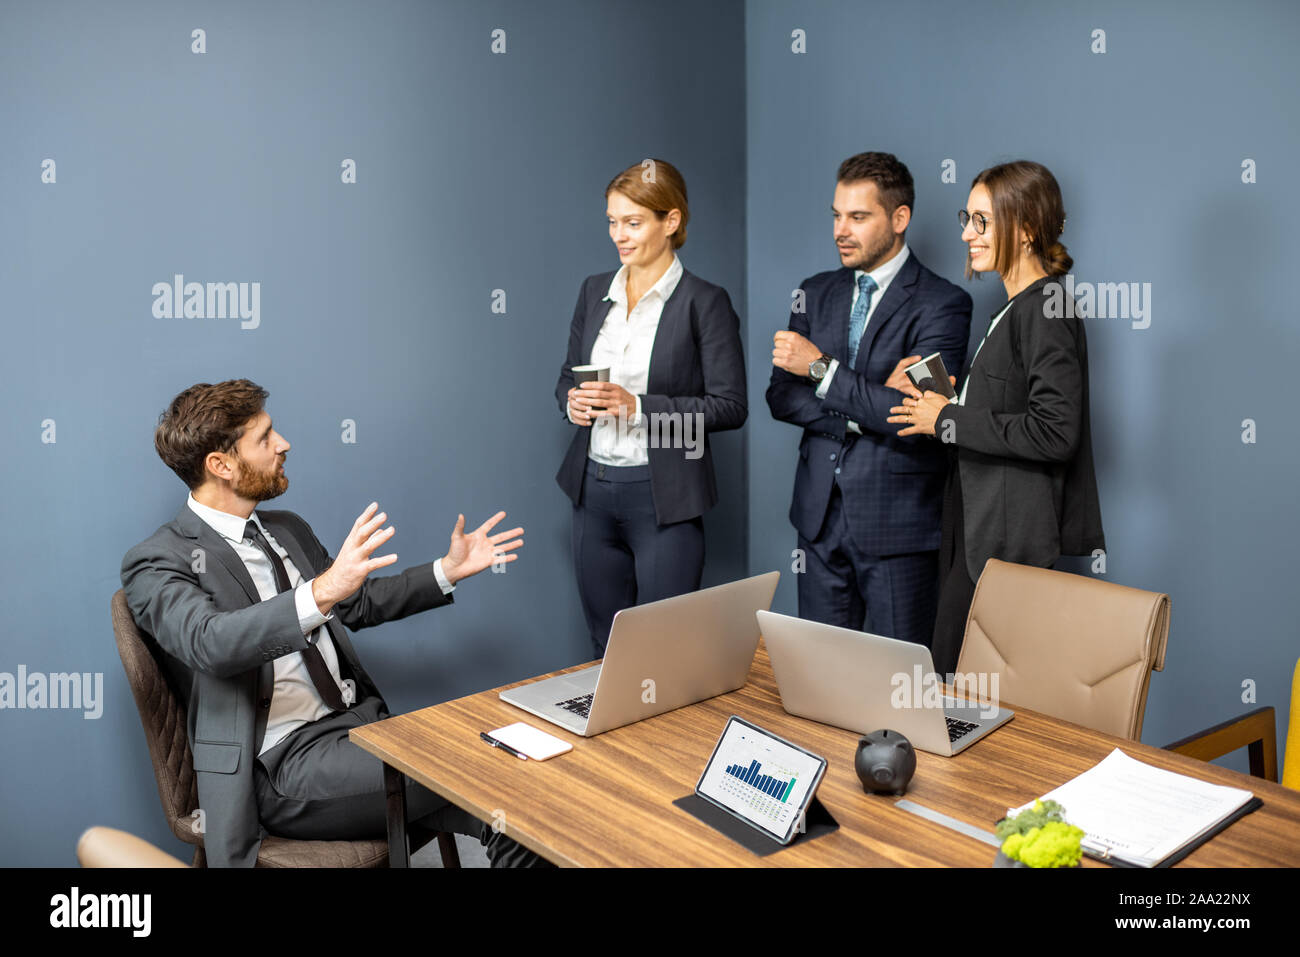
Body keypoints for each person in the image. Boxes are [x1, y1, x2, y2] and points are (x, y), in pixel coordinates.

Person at [121, 379, 545, 867]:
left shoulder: (286, 528)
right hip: (284, 767)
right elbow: (209, 643)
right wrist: (321, 590)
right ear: (221, 465)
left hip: (359, 728)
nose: (284, 444)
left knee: (521, 810)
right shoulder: (157, 561)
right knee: (492, 770)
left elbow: (354, 605)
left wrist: (445, 572)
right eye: (265, 438)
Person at [889, 160, 1105, 674]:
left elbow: (1055, 432)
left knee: (961, 696)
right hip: (979, 534)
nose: (966, 233)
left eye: (982, 221)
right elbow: (1010, 409)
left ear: (1026, 229)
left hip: (1007, 547)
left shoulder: (1046, 307)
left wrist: (947, 419)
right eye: (968, 218)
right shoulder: (1013, 308)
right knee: (952, 689)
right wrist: (946, 397)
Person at [766, 151, 971, 646]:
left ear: (900, 218)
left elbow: (912, 418)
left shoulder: (943, 304)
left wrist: (820, 369)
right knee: (819, 675)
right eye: (837, 215)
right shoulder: (812, 293)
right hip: (817, 521)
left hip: (897, 527)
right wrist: (866, 409)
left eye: (858, 217)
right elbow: (779, 397)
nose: (841, 229)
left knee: (897, 688)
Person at [556, 159, 747, 657]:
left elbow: (730, 407)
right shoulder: (593, 291)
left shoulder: (705, 302)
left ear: (671, 221)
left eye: (633, 222)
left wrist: (638, 407)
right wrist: (572, 402)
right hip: (592, 494)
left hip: (663, 498)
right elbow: (565, 377)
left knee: (663, 652)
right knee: (605, 647)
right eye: (613, 222)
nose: (619, 235)